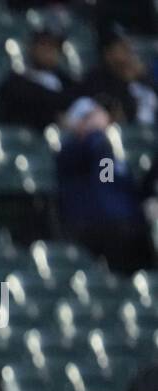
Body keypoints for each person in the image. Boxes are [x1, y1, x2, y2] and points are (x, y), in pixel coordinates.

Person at [57, 97, 154, 274]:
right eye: (89, 116)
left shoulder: (110, 156)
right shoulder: (73, 149)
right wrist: (97, 134)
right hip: (100, 227)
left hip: (130, 227)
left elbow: (125, 186)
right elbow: (106, 180)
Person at [78, 31, 158, 127]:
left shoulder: (142, 78)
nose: (129, 53)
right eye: (122, 48)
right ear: (108, 53)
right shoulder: (95, 79)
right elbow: (115, 111)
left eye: (128, 48)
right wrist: (126, 82)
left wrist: (144, 77)